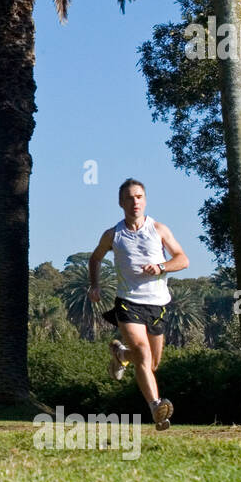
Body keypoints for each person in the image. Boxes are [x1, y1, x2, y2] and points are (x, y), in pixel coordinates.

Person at [87, 178, 188, 430]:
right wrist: (95, 285)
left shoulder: (159, 229)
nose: (135, 202)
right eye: (130, 198)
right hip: (128, 302)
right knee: (143, 354)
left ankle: (120, 354)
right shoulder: (113, 235)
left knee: (152, 363)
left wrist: (161, 267)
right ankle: (156, 408)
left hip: (157, 304)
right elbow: (95, 259)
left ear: (145, 200)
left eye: (139, 197)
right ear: (121, 203)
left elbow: (183, 259)